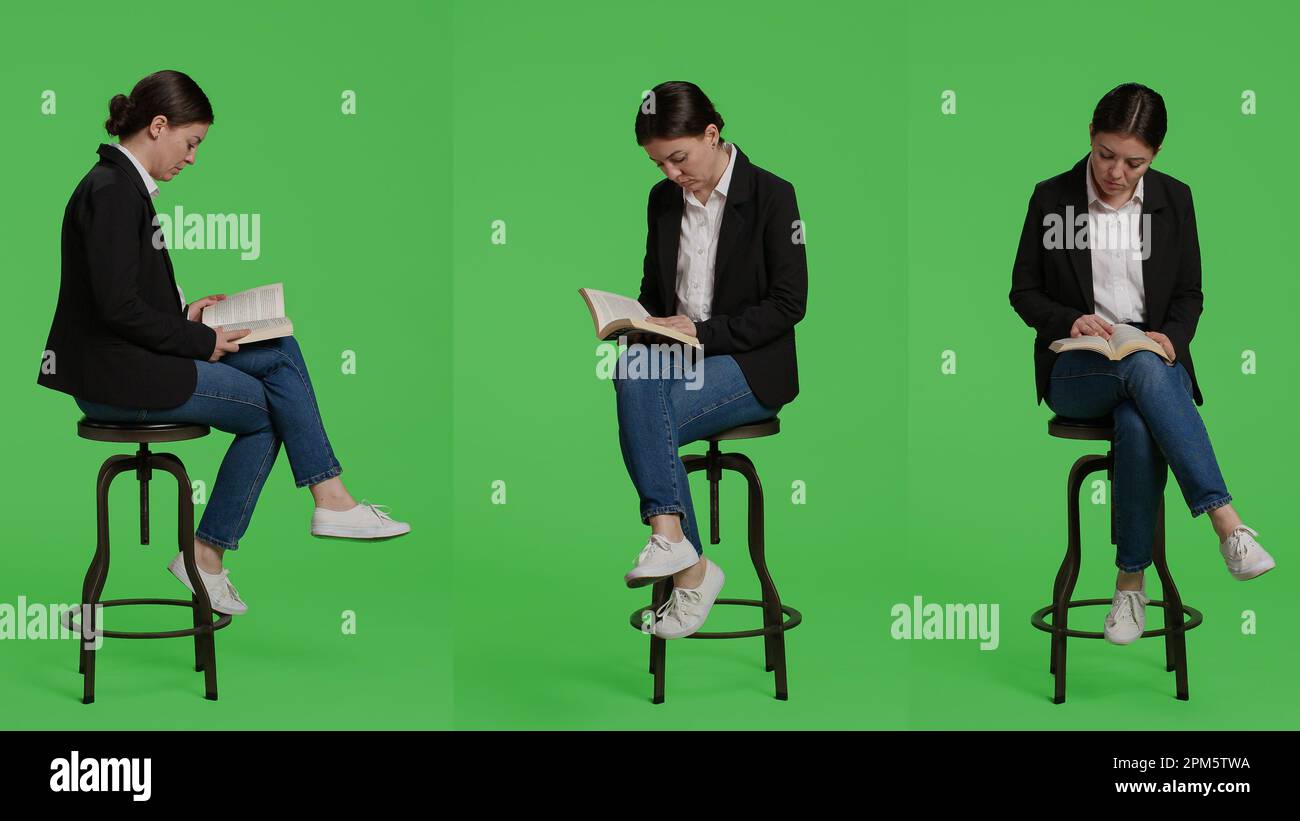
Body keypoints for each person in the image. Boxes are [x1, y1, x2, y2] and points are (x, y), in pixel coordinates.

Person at [37, 70, 410, 616]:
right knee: (274, 409)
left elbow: (120, 298)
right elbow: (116, 310)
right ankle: (218, 550)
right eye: (191, 143)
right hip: (117, 381)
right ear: (158, 126)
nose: (192, 158)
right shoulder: (114, 191)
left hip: (128, 363)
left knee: (279, 351)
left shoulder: (118, 186)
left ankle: (324, 501)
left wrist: (188, 317)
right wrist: (198, 338)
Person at [1009, 82, 1275, 644]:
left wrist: (1170, 338)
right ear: (1090, 135)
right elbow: (1024, 291)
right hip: (1077, 369)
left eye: (1134, 163)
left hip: (1151, 363)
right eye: (1105, 154)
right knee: (1141, 371)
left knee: (1137, 416)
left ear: (1155, 155)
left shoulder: (1175, 199)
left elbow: (1189, 294)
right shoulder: (1051, 198)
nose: (1116, 172)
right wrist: (1069, 321)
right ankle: (1226, 521)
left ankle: (1130, 586)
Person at [614, 81, 807, 638]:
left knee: (646, 418)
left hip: (750, 365)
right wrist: (634, 324)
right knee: (631, 368)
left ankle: (686, 564)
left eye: (679, 158)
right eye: (658, 164)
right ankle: (679, 549)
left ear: (711, 134)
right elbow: (655, 292)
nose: (671, 174)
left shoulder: (774, 195)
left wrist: (701, 331)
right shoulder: (662, 201)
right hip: (676, 362)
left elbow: (789, 305)